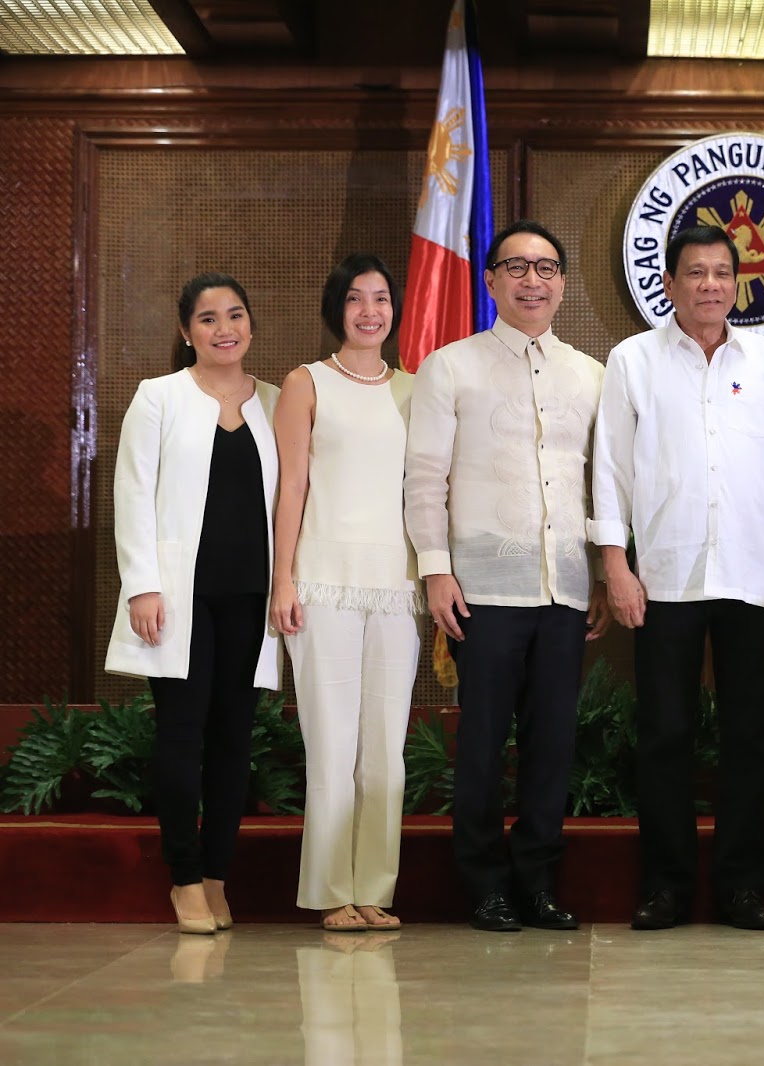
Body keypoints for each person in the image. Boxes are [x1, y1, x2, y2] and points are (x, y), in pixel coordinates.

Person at [590, 224, 764, 932]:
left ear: (737, 283)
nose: (711, 285)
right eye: (696, 273)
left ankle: (743, 888)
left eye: (723, 273)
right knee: (665, 736)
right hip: (663, 579)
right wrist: (616, 567)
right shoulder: (632, 361)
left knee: (750, 737)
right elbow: (610, 471)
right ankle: (665, 887)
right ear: (670, 283)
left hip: (755, 579)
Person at [404, 221, 609, 933]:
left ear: (561, 283)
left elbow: (600, 486)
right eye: (516, 267)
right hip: (482, 591)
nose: (533, 280)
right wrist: (436, 571)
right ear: (489, 280)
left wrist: (604, 576)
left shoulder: (589, 373)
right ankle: (485, 885)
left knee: (552, 745)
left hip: (565, 591)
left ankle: (539, 883)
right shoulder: (449, 366)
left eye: (547, 268)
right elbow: (425, 479)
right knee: (484, 745)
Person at [107, 272, 281, 935]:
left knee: (234, 742)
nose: (224, 328)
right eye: (208, 319)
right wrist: (142, 584)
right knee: (182, 738)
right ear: (186, 332)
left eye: (235, 315)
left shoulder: (271, 401)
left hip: (252, 599)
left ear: (250, 327)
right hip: (180, 600)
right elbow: (133, 495)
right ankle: (183, 878)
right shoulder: (159, 398)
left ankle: (216, 876)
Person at [272, 254, 420, 932]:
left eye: (382, 299)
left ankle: (374, 889)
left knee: (384, 749)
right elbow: (292, 487)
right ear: (338, 309)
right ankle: (332, 891)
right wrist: (283, 580)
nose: (370, 311)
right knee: (331, 743)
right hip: (322, 581)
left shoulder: (414, 389)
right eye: (357, 299)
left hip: (396, 586)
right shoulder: (306, 383)